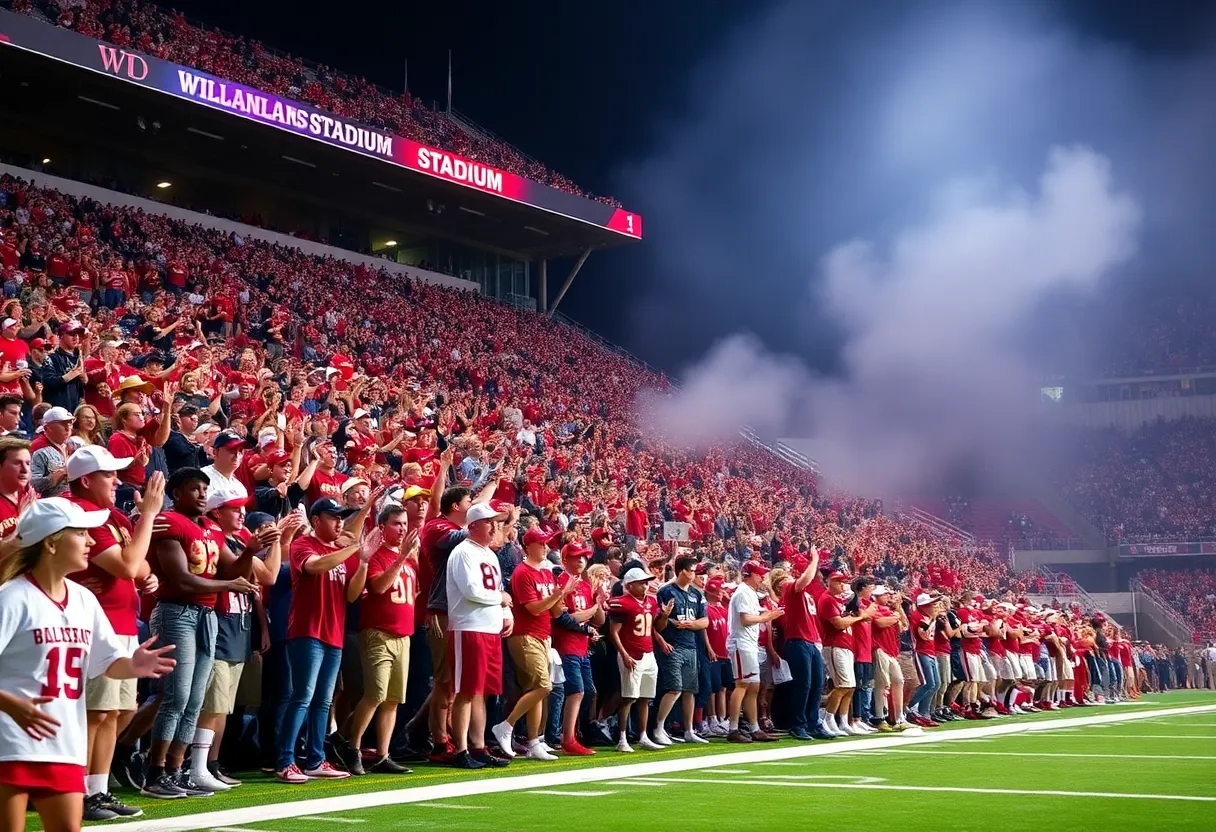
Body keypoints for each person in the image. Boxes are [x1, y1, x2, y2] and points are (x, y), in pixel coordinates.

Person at [0, 498, 174, 832]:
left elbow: (107, 663)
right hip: (11, 743)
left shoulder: (83, 599)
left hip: (64, 743)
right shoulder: (12, 598)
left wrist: (133, 664)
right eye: (81, 533)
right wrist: (12, 705)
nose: (91, 541)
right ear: (51, 543)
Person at [141, 468, 257, 799]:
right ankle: (155, 772)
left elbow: (233, 568)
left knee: (194, 700)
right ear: (177, 493)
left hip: (206, 615)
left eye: (205, 488)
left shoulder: (211, 528)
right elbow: (180, 579)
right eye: (195, 489)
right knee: (176, 696)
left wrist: (250, 550)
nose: (203, 494)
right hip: (177, 611)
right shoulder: (170, 522)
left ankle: (177, 770)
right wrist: (228, 584)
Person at [65, 447, 163, 821]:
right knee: (97, 712)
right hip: (97, 623)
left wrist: (146, 569)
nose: (118, 481)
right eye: (109, 475)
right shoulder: (83, 512)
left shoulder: (114, 515)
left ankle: (98, 788)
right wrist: (150, 515)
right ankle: (79, 791)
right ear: (86, 480)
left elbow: (139, 562)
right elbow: (125, 564)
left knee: (118, 710)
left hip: (121, 623)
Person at [187, 487, 282, 794]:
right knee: (213, 703)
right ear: (216, 512)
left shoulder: (240, 540)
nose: (241, 514)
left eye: (242, 509)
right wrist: (253, 548)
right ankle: (197, 765)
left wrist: (277, 540)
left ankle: (211, 764)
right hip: (221, 620)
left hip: (238, 625)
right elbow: (237, 572)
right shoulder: (214, 540)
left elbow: (268, 576)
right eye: (233, 509)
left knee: (225, 705)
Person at [275, 498, 375, 784]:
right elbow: (315, 567)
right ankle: (285, 760)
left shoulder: (340, 552)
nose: (339, 522)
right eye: (333, 517)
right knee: (303, 696)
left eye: (341, 517)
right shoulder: (303, 545)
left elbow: (352, 595)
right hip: (307, 631)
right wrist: (354, 548)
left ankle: (315, 759)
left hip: (334, 633)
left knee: (322, 701)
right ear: (316, 520)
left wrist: (364, 562)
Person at [338, 504, 420, 775]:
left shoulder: (409, 559)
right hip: (378, 631)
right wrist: (402, 557)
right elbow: (379, 587)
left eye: (405, 524)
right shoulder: (377, 555)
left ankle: (383, 755)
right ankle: (352, 746)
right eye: (397, 523)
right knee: (374, 695)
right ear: (382, 527)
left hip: (403, 634)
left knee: (393, 699)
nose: (403, 529)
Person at [492, 527, 570, 762]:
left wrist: (561, 594)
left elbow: (555, 612)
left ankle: (534, 741)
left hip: (543, 635)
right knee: (543, 686)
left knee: (536, 689)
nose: (546, 547)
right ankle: (506, 726)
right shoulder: (522, 572)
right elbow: (533, 608)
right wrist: (557, 594)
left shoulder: (547, 573)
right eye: (541, 543)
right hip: (525, 634)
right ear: (529, 547)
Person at [446, 502, 513, 770]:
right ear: (473, 525)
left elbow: (498, 591)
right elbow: (472, 590)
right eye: (489, 522)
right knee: (466, 690)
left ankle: (478, 745)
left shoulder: (490, 555)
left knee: (483, 691)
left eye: (496, 522)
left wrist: (507, 613)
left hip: (489, 627)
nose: (495, 526)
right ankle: (461, 748)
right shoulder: (463, 552)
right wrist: (501, 600)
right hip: (469, 626)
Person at [552, 537, 603, 755]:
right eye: (575, 556)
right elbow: (566, 618)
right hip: (566, 644)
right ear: (565, 559)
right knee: (576, 691)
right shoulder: (561, 582)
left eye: (583, 556)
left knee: (585, 692)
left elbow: (598, 620)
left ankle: (572, 734)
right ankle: (566, 737)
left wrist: (599, 600)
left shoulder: (584, 584)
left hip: (582, 645)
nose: (581, 560)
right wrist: (591, 612)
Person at [609, 567, 666, 753]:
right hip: (632, 653)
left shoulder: (651, 601)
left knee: (646, 697)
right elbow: (614, 633)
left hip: (649, 653)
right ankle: (622, 738)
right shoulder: (622, 603)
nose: (645, 585)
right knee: (629, 697)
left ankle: (643, 736)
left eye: (646, 582)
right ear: (630, 585)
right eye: (641, 582)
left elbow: (658, 627)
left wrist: (665, 615)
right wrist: (624, 654)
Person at [653, 555, 709, 745]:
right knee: (674, 688)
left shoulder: (697, 594)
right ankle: (659, 728)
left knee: (689, 690)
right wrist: (668, 618)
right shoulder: (666, 591)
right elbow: (658, 624)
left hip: (691, 645)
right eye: (692, 570)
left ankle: (689, 730)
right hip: (673, 644)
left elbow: (705, 621)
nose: (695, 573)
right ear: (682, 571)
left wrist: (691, 624)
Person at [726, 561, 784, 743]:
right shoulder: (743, 592)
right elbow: (745, 619)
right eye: (758, 574)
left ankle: (754, 728)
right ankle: (733, 728)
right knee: (742, 684)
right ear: (749, 574)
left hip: (749, 644)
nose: (761, 577)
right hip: (741, 643)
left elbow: (752, 613)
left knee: (752, 686)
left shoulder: (749, 593)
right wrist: (766, 616)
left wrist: (766, 611)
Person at [30, 407, 75, 498]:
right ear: (47, 428)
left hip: (74, 504)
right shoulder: (39, 449)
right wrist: (55, 477)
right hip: (52, 506)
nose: (68, 428)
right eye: (63, 424)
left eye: (70, 424)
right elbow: (32, 485)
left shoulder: (73, 445)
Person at [0, 437, 33, 539]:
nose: (25, 470)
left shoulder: (30, 495)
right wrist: (23, 520)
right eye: (17, 463)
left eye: (28, 463)